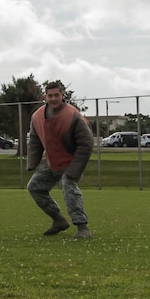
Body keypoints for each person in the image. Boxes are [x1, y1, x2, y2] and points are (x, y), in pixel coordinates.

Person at [26, 81, 95, 238]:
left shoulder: (73, 115)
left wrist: (75, 170)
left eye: (57, 95)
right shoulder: (37, 116)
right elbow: (35, 140)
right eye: (50, 95)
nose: (53, 98)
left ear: (63, 96)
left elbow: (86, 143)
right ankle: (58, 220)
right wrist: (33, 162)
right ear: (45, 97)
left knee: (68, 187)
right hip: (51, 162)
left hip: (70, 162)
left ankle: (82, 227)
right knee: (34, 187)